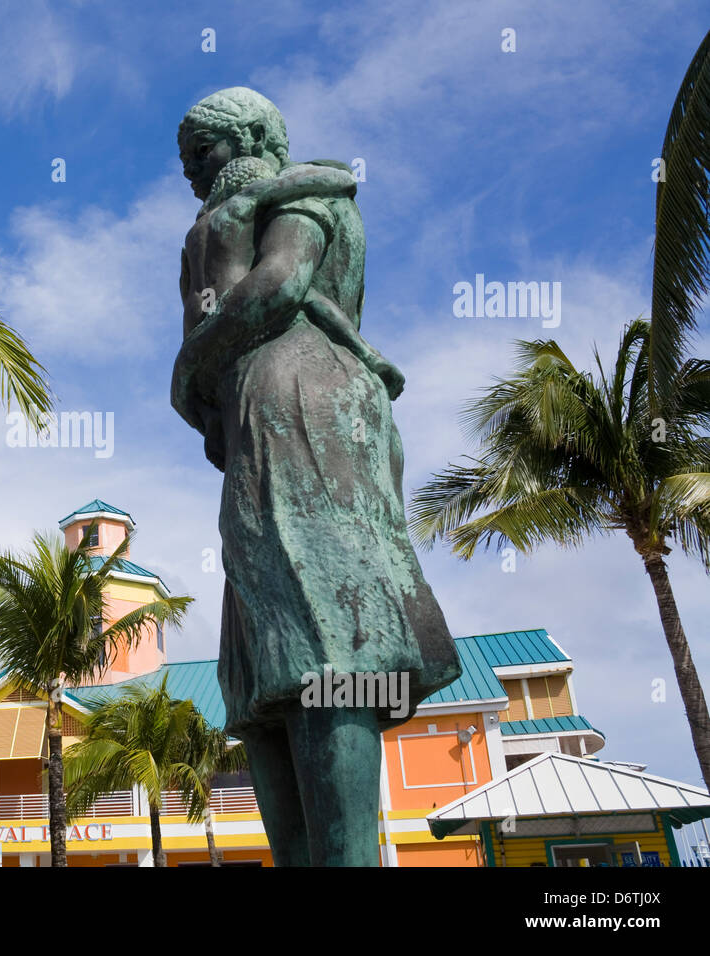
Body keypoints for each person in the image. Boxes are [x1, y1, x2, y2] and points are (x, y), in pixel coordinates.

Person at [171, 87, 461, 865]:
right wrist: (203, 369)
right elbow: (223, 319)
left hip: (304, 397)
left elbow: (280, 290)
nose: (197, 172)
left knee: (330, 636)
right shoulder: (217, 227)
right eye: (187, 161)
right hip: (254, 419)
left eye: (210, 150)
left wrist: (189, 365)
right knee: (268, 658)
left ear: (261, 136)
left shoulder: (311, 196)